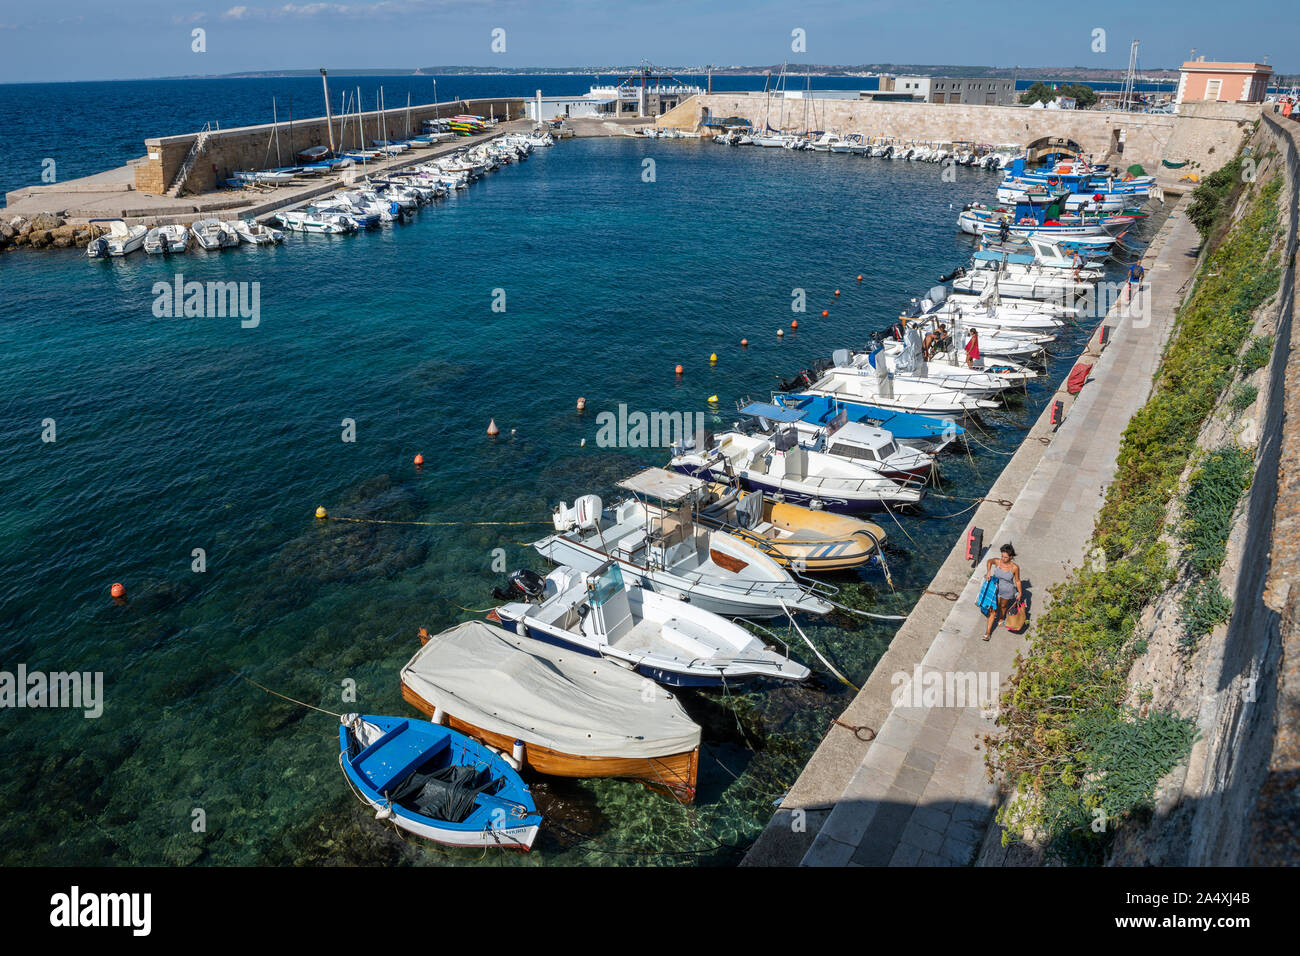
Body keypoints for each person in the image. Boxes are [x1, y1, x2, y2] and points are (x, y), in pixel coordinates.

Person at [983, 543, 1023, 641]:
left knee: (1003, 607)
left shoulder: (1015, 568)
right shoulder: (997, 562)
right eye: (1002, 556)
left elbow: (1017, 581)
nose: (1003, 558)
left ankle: (1001, 618)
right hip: (995, 590)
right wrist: (988, 572)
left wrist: (1020, 592)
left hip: (1007, 592)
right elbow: (989, 561)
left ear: (1011, 557)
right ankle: (987, 633)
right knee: (993, 610)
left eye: (1005, 557)